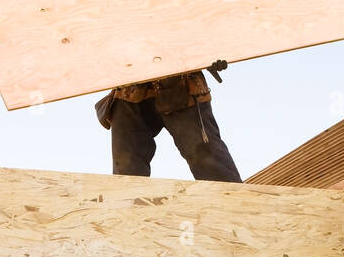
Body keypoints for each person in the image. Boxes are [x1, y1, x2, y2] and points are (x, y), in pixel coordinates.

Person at [95, 66, 242, 182]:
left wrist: (211, 52)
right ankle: (128, 216)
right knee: (127, 171)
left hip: (181, 82)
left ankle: (239, 211)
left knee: (207, 158)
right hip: (130, 90)